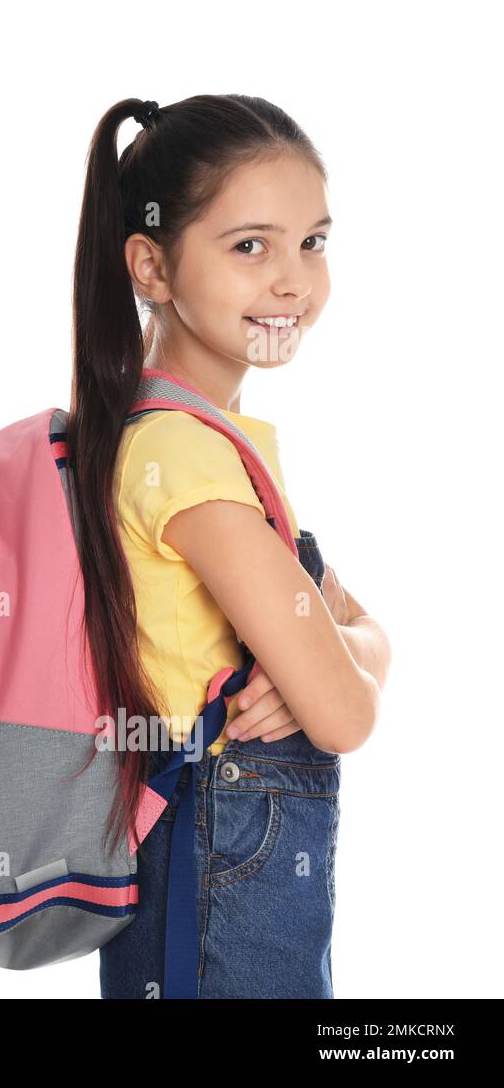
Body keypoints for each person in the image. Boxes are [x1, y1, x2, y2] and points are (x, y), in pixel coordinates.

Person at [61, 95, 392, 997]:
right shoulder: (185, 459)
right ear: (152, 265)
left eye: (312, 242)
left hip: (215, 860)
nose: (293, 281)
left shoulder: (192, 437)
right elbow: (350, 711)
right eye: (250, 246)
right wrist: (337, 661)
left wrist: (335, 658)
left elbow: (352, 642)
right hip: (217, 864)